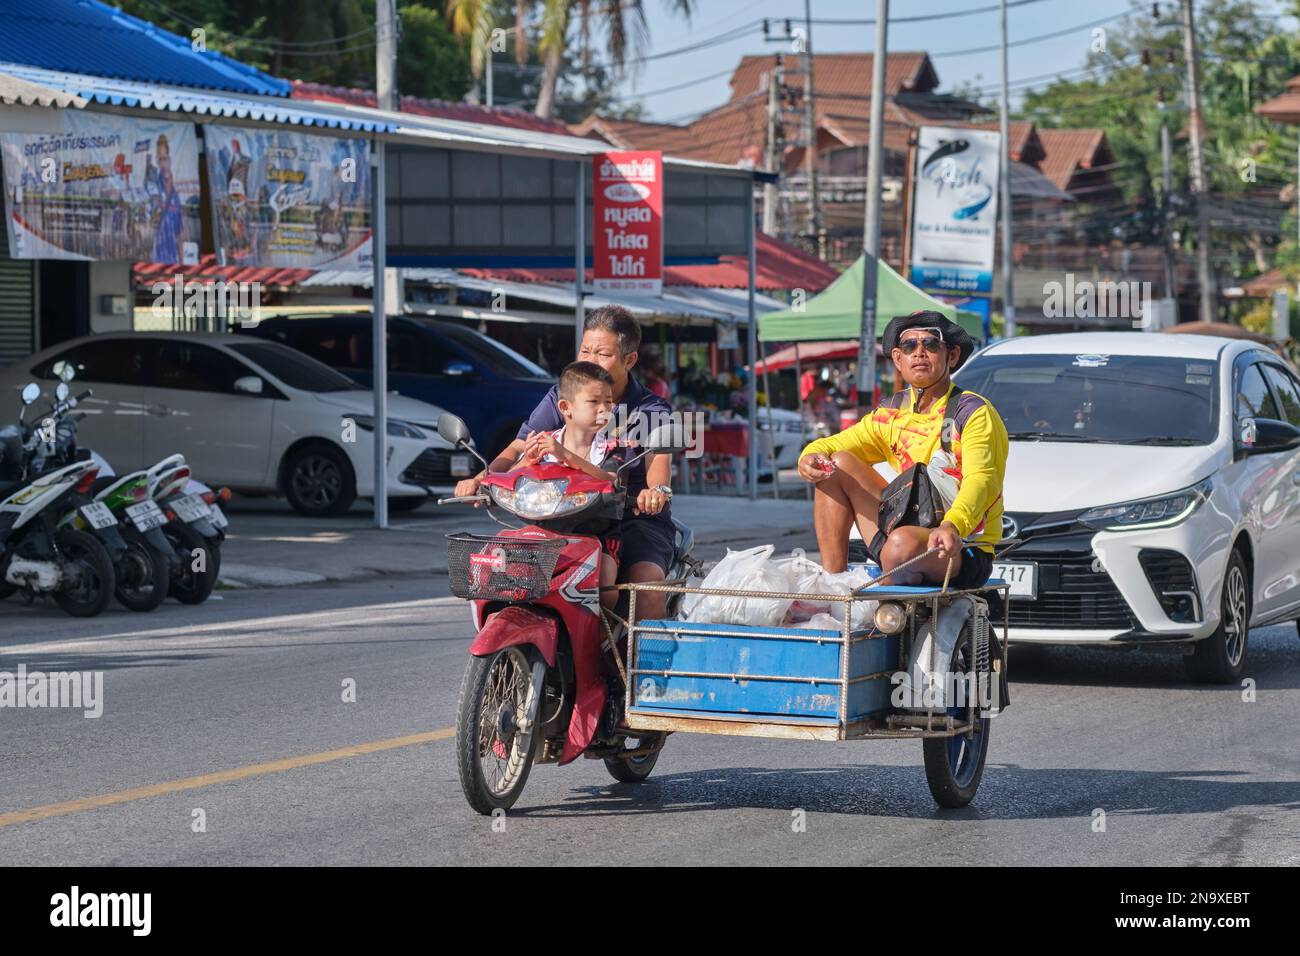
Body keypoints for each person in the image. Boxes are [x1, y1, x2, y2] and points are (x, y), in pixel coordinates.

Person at [455, 306, 677, 618]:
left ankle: (642, 664)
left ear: (630, 360)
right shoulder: (566, 396)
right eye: (585, 350)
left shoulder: (651, 409)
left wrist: (655, 492)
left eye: (602, 353)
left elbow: (658, 464)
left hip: (631, 518)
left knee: (645, 581)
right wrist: (484, 478)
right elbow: (519, 447)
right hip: (563, 511)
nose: (590, 360)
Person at [796, 310, 1008, 587]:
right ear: (898, 359)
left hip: (962, 546)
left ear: (952, 356)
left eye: (931, 344)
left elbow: (982, 480)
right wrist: (808, 457)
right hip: (903, 533)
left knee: (899, 545)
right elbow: (834, 444)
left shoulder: (973, 411)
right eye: (909, 346)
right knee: (834, 465)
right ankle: (833, 586)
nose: (919, 353)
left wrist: (952, 525)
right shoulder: (891, 412)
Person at [514, 362, 625, 609]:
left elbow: (610, 479)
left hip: (598, 533)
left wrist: (566, 456)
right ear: (566, 407)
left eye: (608, 402)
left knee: (605, 586)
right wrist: (527, 462)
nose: (603, 409)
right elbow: (511, 477)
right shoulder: (545, 443)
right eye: (594, 402)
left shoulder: (613, 445)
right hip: (545, 531)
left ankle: (603, 643)